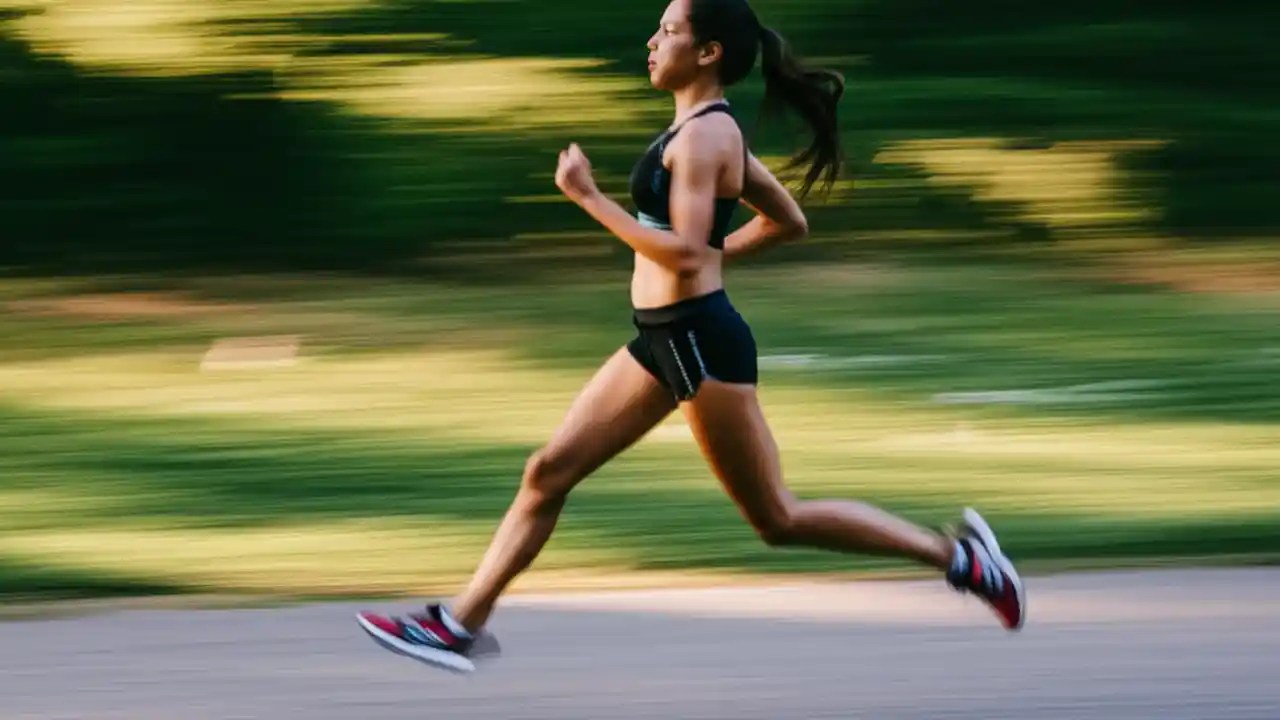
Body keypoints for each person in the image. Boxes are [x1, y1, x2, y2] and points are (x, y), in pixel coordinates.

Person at [356, 0, 1025, 673]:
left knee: (777, 518)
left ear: (708, 53)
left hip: (698, 340)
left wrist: (591, 199)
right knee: (547, 472)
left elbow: (682, 254)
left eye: (670, 31)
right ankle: (458, 625)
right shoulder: (702, 129)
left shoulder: (705, 138)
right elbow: (785, 221)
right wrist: (709, 256)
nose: (652, 41)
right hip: (660, 338)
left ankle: (961, 560)